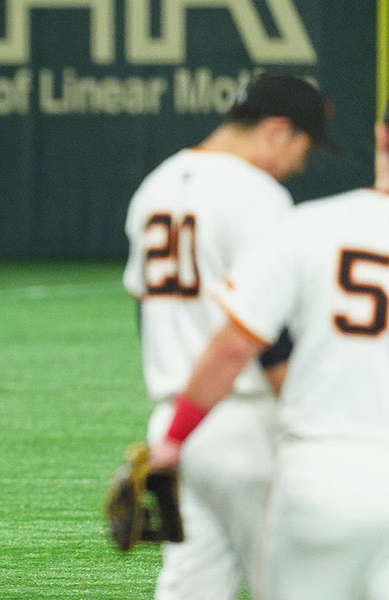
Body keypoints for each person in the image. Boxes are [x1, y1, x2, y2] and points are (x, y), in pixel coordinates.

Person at [150, 117, 389, 599]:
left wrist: (173, 439)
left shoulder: (313, 224)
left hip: (323, 471)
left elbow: (234, 345)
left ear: (381, 134)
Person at [121, 72, 334, 599]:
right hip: (248, 426)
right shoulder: (259, 198)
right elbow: (267, 336)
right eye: (304, 146)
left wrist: (173, 426)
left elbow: (143, 309)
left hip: (175, 425)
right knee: (298, 583)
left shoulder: (157, 185)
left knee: (192, 586)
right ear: (278, 130)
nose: (302, 163)